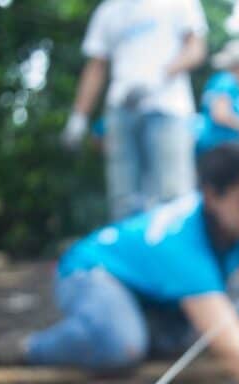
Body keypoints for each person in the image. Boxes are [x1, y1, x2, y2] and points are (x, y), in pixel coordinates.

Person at [0, 142, 239, 384]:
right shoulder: (183, 243)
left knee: (237, 323)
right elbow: (234, 350)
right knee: (120, 346)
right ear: (212, 195)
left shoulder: (233, 221)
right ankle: (30, 348)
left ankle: (141, 327)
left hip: (146, 291)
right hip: (94, 271)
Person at [61, 0, 208, 220]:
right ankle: (130, 253)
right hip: (121, 109)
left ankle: (173, 252)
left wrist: (160, 76)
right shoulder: (108, 11)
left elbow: (196, 48)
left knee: (173, 194)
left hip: (168, 108)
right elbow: (96, 66)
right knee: (123, 199)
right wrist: (78, 116)